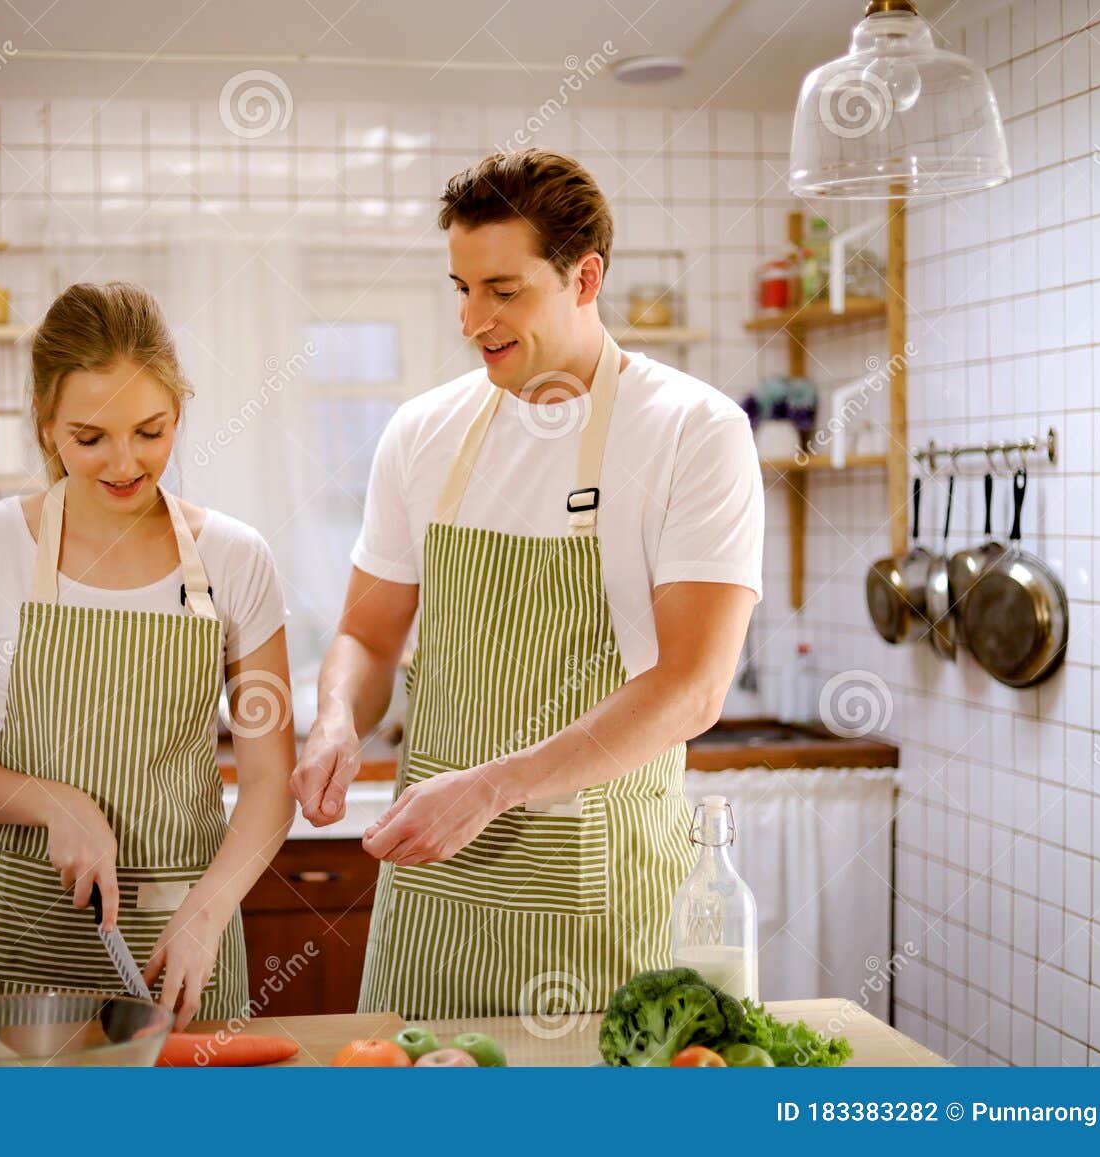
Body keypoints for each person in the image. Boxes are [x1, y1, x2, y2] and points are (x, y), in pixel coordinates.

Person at [291, 151, 764, 1018]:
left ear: (584, 277)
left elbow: (693, 687)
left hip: (598, 904)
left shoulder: (693, 432)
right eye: (461, 288)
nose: (475, 320)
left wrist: (489, 787)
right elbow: (366, 633)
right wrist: (332, 721)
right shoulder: (421, 432)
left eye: (504, 291)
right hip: (434, 897)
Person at [0, 282, 295, 1027]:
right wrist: (57, 803)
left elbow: (270, 783)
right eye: (91, 438)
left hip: (186, 944)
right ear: (46, 426)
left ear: (178, 413)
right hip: (19, 946)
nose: (125, 463)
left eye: (150, 432)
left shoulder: (233, 559)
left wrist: (207, 916)